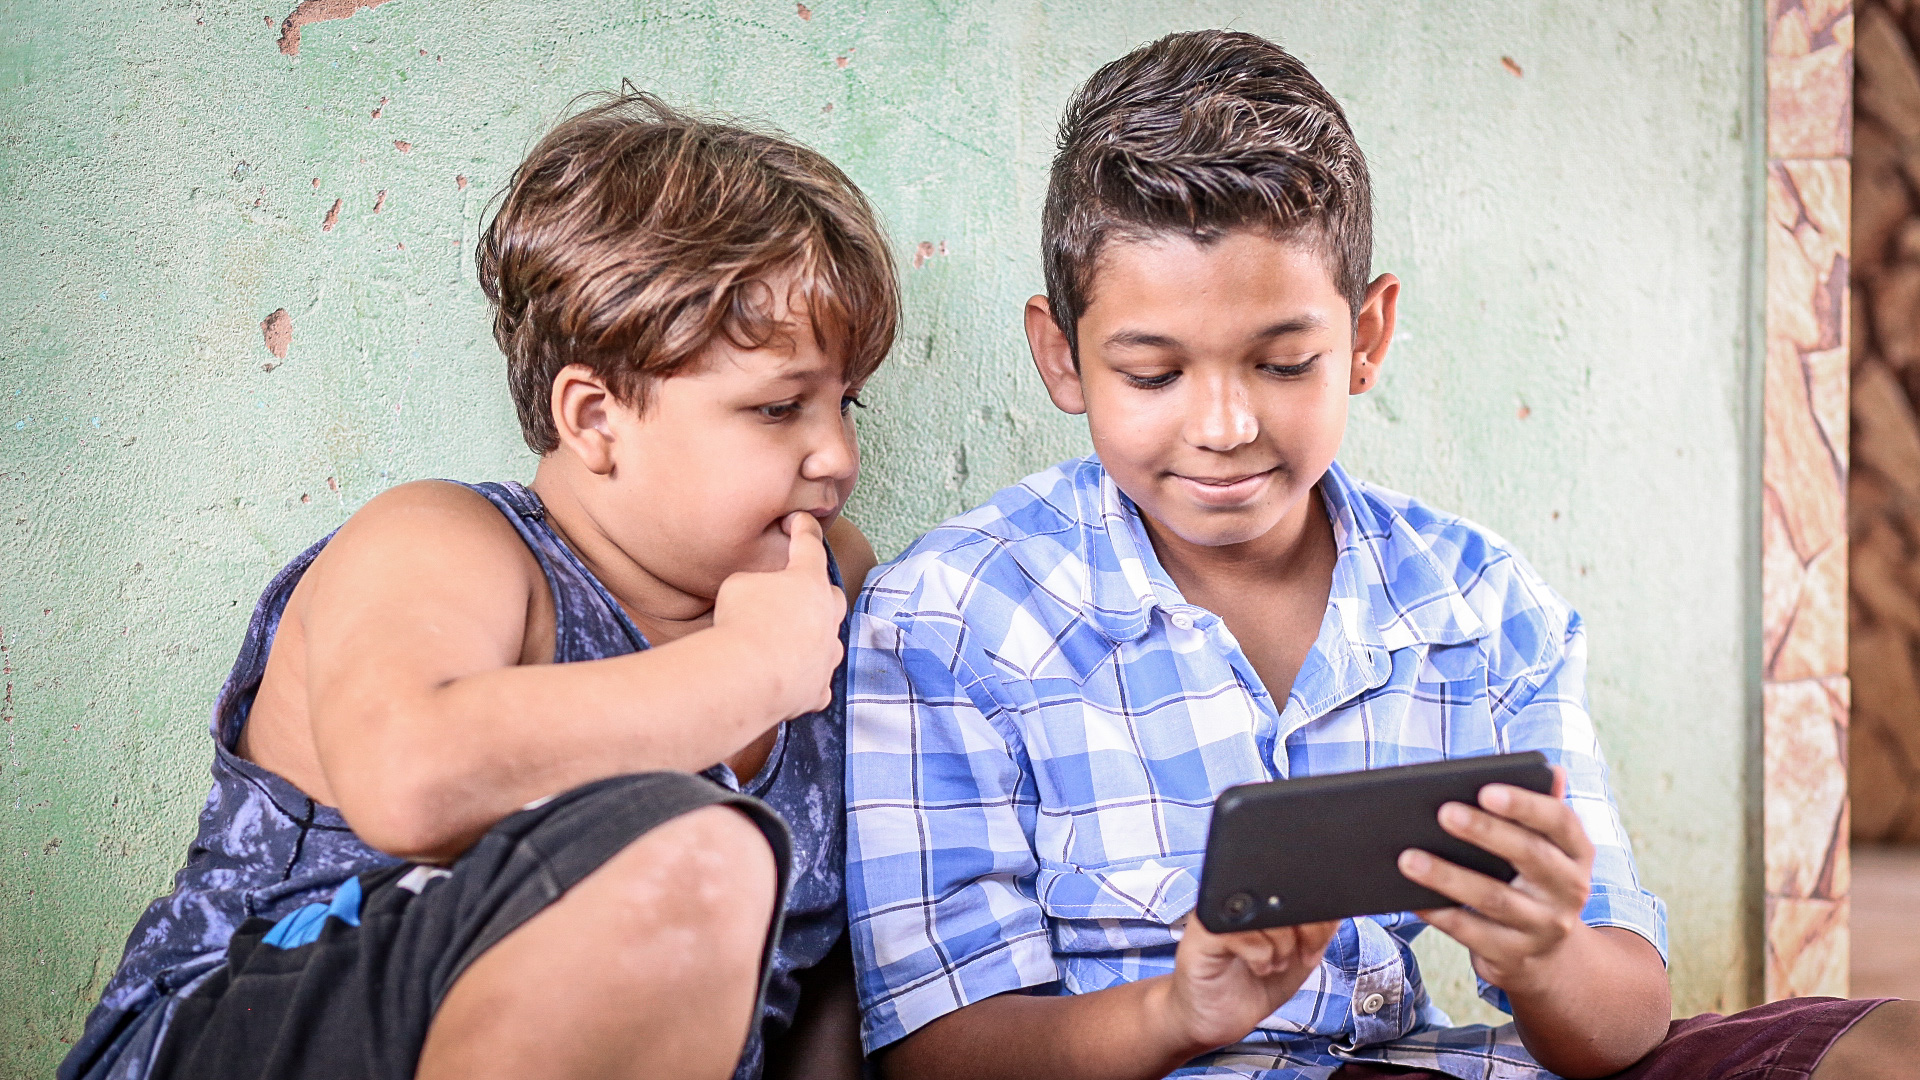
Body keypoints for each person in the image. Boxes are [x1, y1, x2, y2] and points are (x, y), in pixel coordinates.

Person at [842, 29, 1917, 1080]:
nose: (1222, 425)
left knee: (1889, 1044)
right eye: (1154, 375)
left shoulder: (1477, 602)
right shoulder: (951, 617)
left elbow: (1624, 1017)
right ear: (1060, 356)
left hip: (1431, 1062)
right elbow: (939, 1050)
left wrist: (1545, 955)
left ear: (1365, 338)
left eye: (1283, 362)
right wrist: (1176, 1012)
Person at [61, 89, 894, 1080]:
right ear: (593, 419)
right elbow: (410, 779)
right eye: (777, 409)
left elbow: (822, 968)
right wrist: (753, 669)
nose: (835, 455)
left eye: (846, 402)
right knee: (689, 857)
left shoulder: (832, 582)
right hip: (258, 1029)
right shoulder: (452, 545)